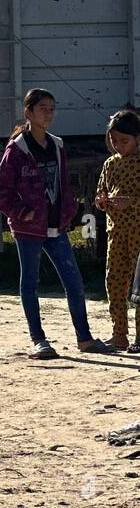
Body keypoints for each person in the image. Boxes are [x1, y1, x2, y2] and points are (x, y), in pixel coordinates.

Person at [0, 88, 116, 358]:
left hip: (56, 227)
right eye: (42, 109)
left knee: (74, 281)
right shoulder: (17, 149)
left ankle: (85, 339)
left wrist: (69, 211)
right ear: (28, 113)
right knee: (30, 283)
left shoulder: (57, 145)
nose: (48, 114)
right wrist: (21, 212)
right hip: (28, 229)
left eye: (52, 109)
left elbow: (64, 185)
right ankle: (39, 341)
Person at [95, 108, 140, 349]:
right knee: (114, 282)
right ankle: (119, 333)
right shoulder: (110, 164)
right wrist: (102, 201)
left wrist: (131, 202)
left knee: (139, 287)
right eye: (114, 140)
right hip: (116, 233)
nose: (118, 145)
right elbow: (100, 193)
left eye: (124, 141)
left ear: (137, 139)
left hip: (137, 234)